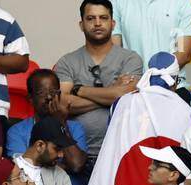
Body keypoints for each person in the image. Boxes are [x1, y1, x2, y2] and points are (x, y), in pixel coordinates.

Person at [53, 1, 144, 165]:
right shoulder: (67, 62)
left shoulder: (130, 58)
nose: (97, 23)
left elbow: (125, 95)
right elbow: (63, 103)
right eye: (90, 18)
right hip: (78, 155)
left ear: (113, 23)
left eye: (103, 17)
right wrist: (112, 91)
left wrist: (79, 90)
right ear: (81, 25)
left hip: (120, 154)